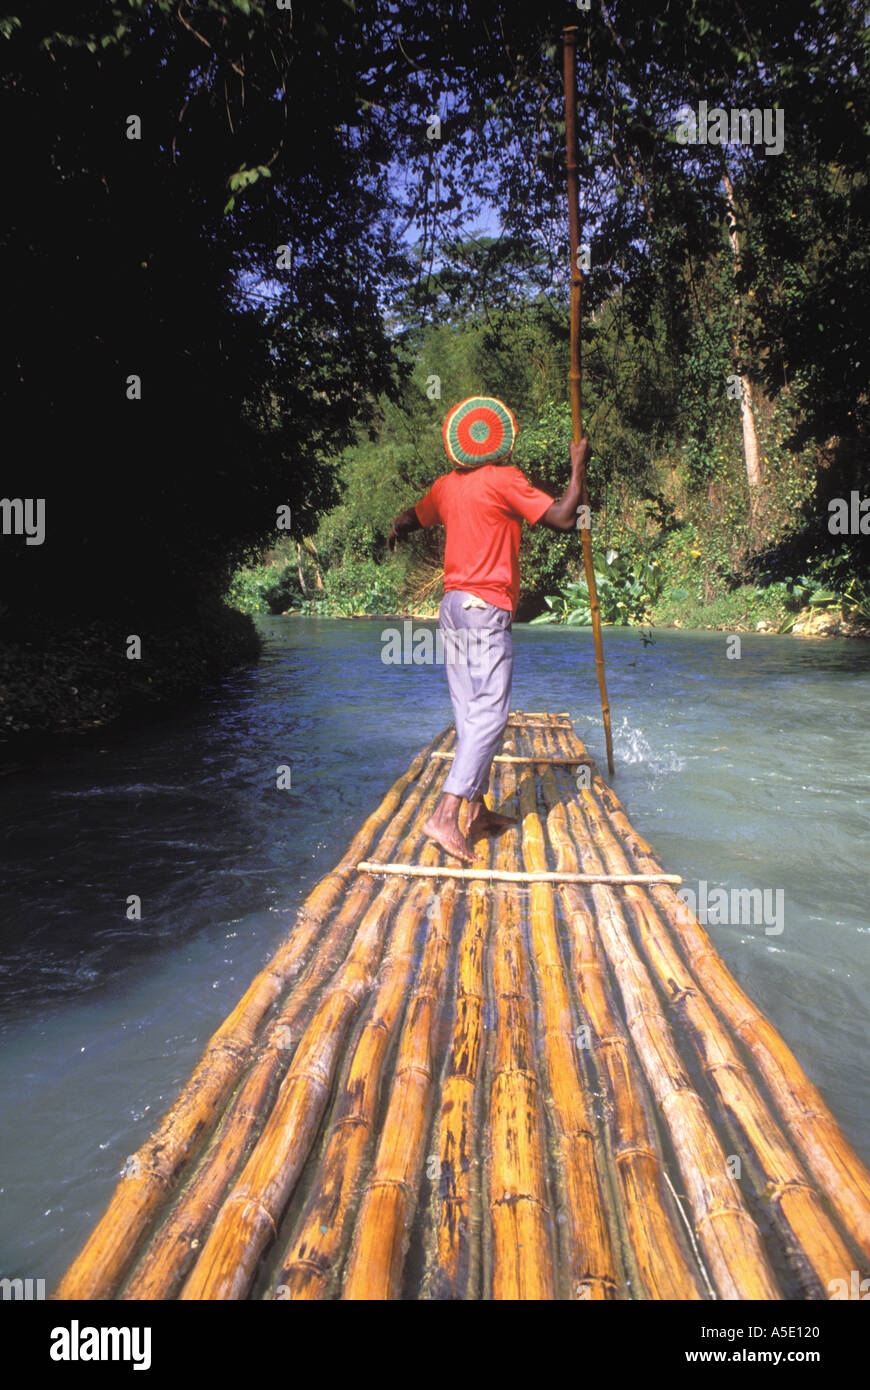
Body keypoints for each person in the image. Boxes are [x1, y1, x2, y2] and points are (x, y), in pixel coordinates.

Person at [387, 395, 592, 863]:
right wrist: (578, 468)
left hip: (453, 607)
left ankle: (475, 810)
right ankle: (444, 815)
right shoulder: (504, 479)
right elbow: (562, 517)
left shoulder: (444, 488)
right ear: (502, 442)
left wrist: (395, 530)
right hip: (484, 608)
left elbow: (410, 518)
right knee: (491, 715)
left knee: (468, 713)